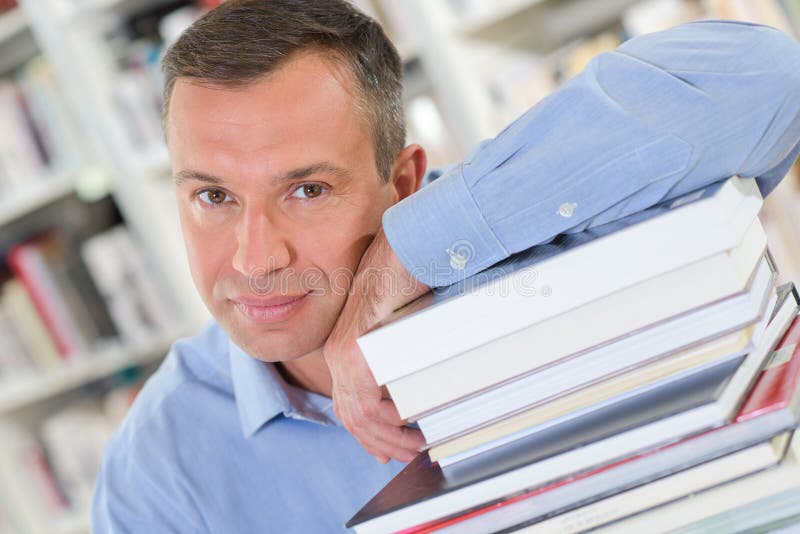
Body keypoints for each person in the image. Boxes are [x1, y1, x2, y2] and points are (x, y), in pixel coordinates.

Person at [92, 0, 800, 531]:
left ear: (402, 184)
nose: (254, 258)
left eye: (307, 190)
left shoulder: (544, 232)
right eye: (212, 196)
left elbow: (773, 78)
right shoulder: (156, 470)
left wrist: (396, 263)